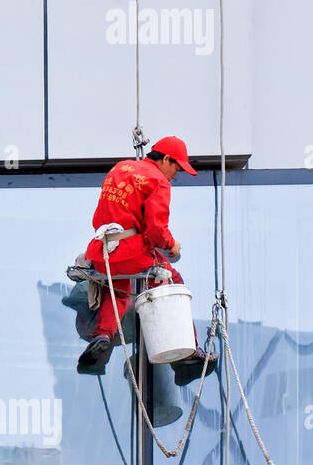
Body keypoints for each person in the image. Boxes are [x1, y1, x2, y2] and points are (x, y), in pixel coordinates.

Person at [77, 136, 215, 376]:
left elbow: (102, 214)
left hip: (101, 252)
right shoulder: (159, 181)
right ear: (165, 159)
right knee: (170, 280)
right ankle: (185, 353)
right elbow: (156, 230)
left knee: (118, 290)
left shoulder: (120, 168)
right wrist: (171, 245)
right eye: (177, 168)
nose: (175, 175)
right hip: (129, 251)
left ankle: (102, 336)